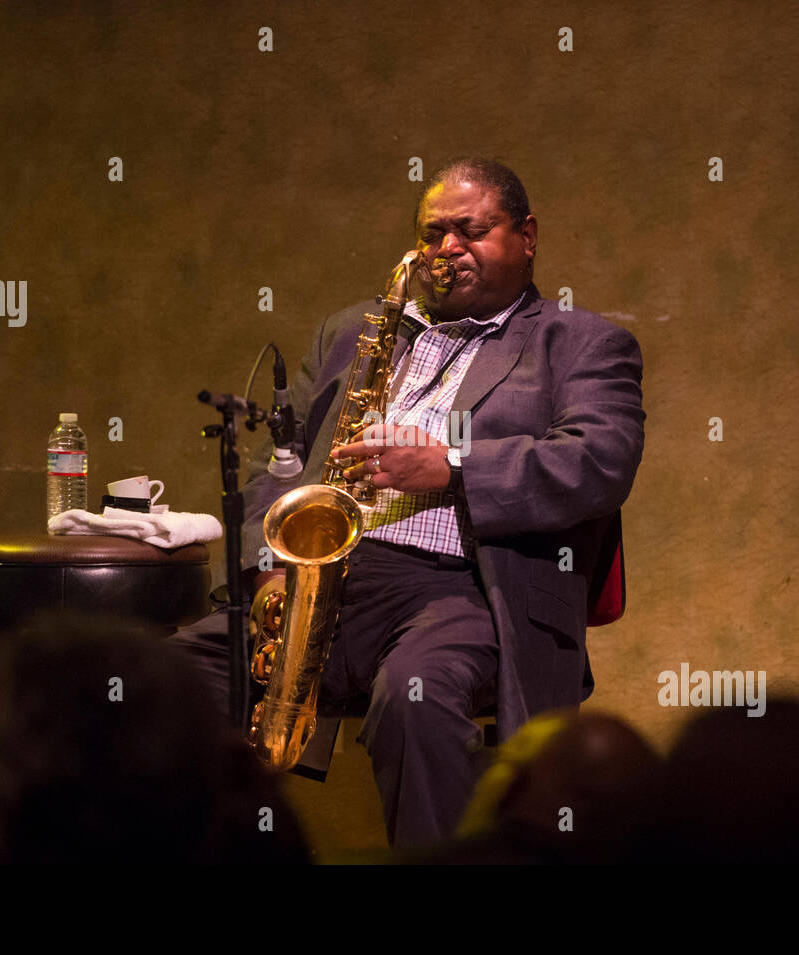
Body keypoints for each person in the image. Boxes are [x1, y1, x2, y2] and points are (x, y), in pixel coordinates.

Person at [171, 157, 646, 849]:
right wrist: (266, 565)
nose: (447, 249)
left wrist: (448, 465)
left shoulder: (579, 342)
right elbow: (278, 454)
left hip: (465, 592)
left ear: (528, 235)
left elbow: (598, 462)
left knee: (413, 695)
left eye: (470, 230)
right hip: (323, 578)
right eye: (433, 233)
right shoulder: (351, 330)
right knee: (163, 678)